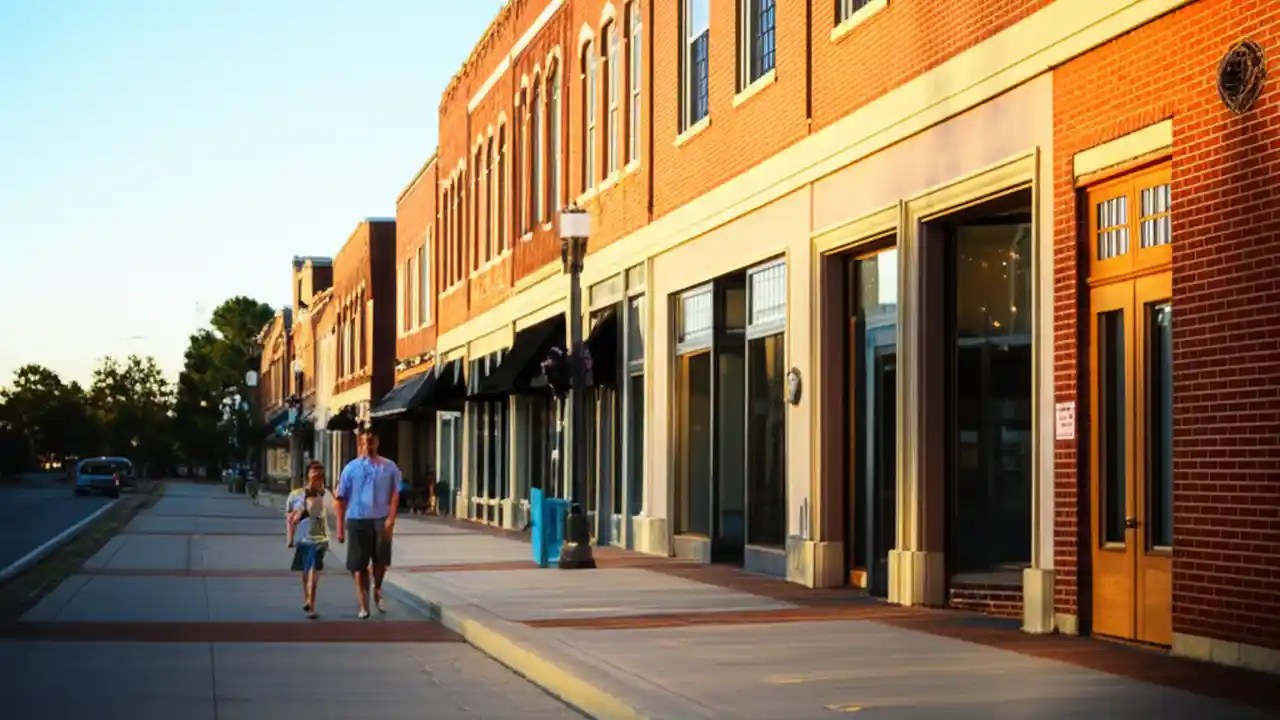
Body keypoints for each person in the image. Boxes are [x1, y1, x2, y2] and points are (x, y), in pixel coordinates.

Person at [334, 425, 400, 619]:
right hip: (357, 519)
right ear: (360, 443)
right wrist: (339, 528)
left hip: (381, 519)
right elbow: (341, 498)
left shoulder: (389, 467)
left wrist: (391, 519)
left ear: (377, 442)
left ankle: (377, 588)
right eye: (364, 441)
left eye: (372, 441)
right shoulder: (350, 468)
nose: (368, 445)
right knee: (358, 565)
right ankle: (363, 604)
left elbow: (396, 494)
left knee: (381, 561)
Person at [285, 461, 330, 620]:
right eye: (313, 470)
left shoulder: (326, 494)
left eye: (319, 471)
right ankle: (308, 598)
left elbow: (333, 511)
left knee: (314, 571)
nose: (316, 473)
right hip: (302, 538)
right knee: (305, 572)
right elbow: (289, 517)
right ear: (307, 474)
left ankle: (311, 603)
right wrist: (289, 537)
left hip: (320, 538)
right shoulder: (295, 494)